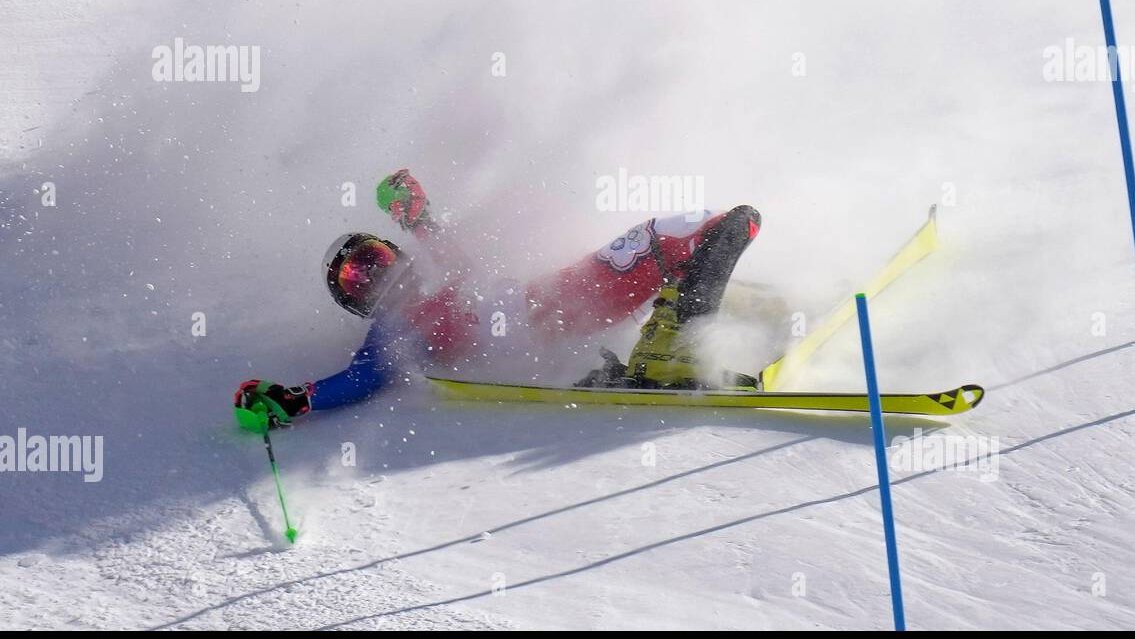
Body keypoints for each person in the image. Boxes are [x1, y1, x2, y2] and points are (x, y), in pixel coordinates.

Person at [235, 169, 761, 427]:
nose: (377, 276)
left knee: (714, 227)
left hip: (567, 291)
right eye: (358, 279)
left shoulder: (450, 286)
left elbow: (454, 252)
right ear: (358, 303)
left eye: (376, 259)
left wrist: (413, 213)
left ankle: (679, 319)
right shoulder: (394, 333)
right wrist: (295, 399)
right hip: (561, 308)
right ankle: (670, 355)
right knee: (706, 227)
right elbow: (362, 378)